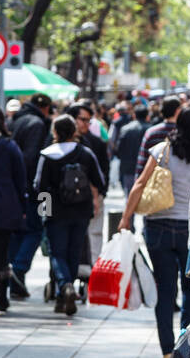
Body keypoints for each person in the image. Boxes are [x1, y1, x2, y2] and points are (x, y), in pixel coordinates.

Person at [120, 106, 190, 358]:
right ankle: (184, 349)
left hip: (158, 228)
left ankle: (165, 352)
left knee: (164, 290)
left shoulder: (162, 150)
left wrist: (125, 218)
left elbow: (139, 184)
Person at [34, 114, 106, 315]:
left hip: (56, 212)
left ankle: (65, 286)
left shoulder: (47, 155)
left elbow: (39, 187)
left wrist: (43, 212)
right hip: (82, 211)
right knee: (74, 252)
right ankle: (65, 292)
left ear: (55, 132)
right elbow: (100, 181)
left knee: (57, 253)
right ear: (74, 131)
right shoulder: (85, 153)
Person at [6, 91, 53, 299]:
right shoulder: (37, 124)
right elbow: (31, 158)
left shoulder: (18, 120)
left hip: (16, 187)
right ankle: (17, 269)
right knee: (36, 230)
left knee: (19, 231)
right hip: (33, 189)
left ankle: (15, 276)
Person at [0, 105, 27, 313]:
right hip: (4, 209)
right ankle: (2, 297)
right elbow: (21, 180)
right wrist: (22, 207)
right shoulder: (9, 147)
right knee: (1, 255)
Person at [70, 101, 111, 265]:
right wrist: (45, 209)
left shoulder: (95, 143)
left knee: (94, 235)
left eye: (89, 120)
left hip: (91, 198)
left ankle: (92, 274)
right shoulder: (53, 145)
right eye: (83, 119)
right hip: (65, 203)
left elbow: (103, 172)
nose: (87, 124)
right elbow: (43, 184)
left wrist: (100, 194)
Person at [135, 93, 182, 176]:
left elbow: (142, 160)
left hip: (154, 183)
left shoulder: (151, 132)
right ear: (177, 111)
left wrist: (139, 180)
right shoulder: (183, 132)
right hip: (179, 181)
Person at [115, 105, 150, 195]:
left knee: (130, 195)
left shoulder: (126, 129)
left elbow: (119, 149)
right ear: (147, 115)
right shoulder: (151, 130)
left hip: (128, 168)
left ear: (134, 115)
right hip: (146, 169)